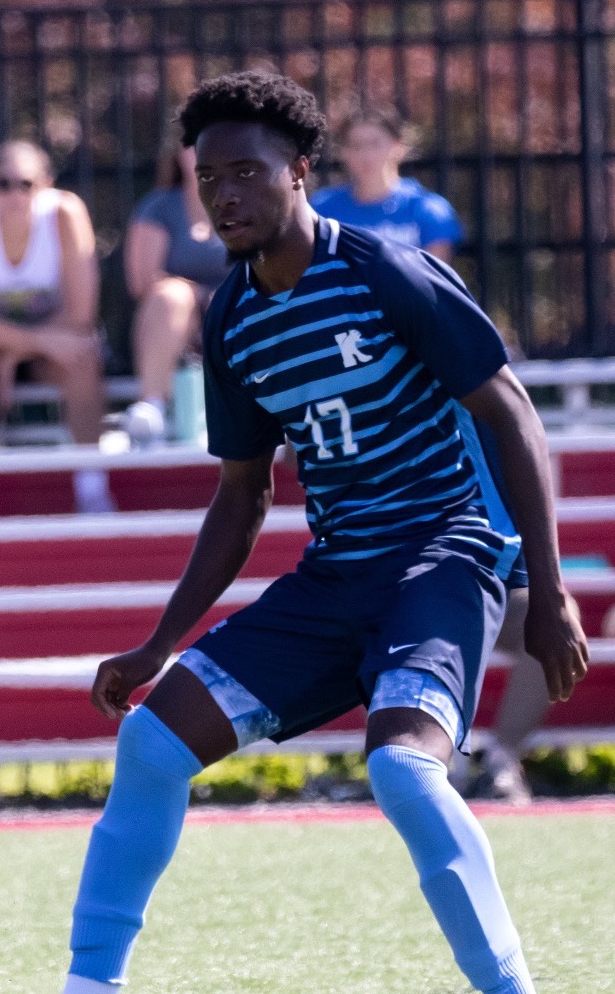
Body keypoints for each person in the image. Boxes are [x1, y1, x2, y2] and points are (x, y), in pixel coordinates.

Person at [61, 71, 588, 994]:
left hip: (440, 554)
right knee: (151, 744)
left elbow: (513, 416)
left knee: (403, 773)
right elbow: (241, 494)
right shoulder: (231, 319)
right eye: (208, 179)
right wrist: (159, 642)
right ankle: (88, 985)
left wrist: (545, 589)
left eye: (246, 173)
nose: (224, 196)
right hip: (334, 575)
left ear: (301, 170)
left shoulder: (390, 272)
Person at [313, 109, 546, 803]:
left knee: (540, 629)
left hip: (483, 561)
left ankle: (499, 758)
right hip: (413, 565)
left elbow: (530, 477)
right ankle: (414, 760)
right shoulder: (373, 405)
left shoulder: (492, 400)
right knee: (388, 622)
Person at [0, 140, 111, 516]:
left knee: (82, 353)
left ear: (47, 183)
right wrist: (21, 347)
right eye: (3, 183)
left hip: (37, 346)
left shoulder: (66, 213)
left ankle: (92, 486)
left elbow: (81, 313)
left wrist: (15, 353)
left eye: (26, 184)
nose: (15, 194)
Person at [121, 125, 231, 446]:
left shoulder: (250, 203)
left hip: (236, 311)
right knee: (170, 296)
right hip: (174, 322)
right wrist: (198, 294)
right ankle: (151, 408)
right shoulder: (158, 207)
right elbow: (142, 282)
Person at [310, 107, 464, 262]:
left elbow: (434, 278)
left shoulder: (429, 209)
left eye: (375, 143)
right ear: (343, 152)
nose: (366, 155)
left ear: (398, 147)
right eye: (356, 145)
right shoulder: (322, 208)